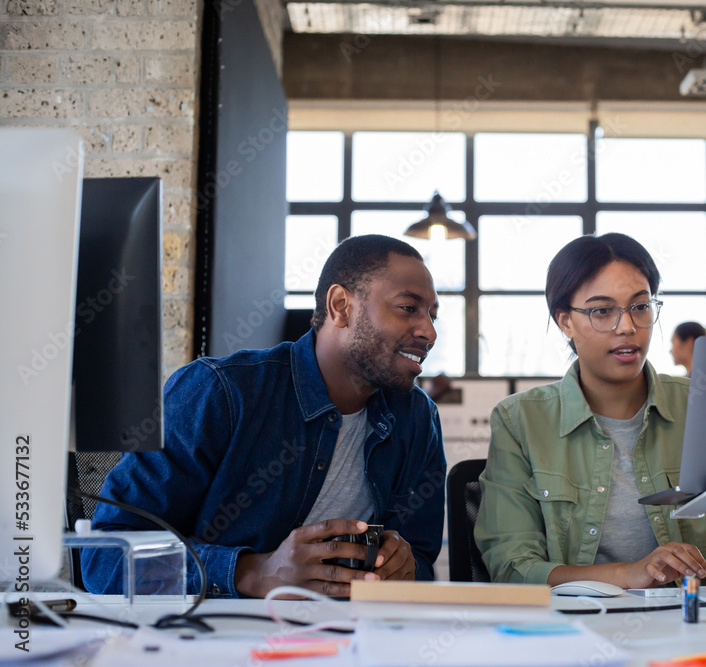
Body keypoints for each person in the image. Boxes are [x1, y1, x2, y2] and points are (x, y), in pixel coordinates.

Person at [82, 235, 447, 598]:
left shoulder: (418, 419)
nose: (429, 332)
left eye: (432, 315)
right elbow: (107, 559)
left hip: (350, 645)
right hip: (218, 647)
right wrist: (252, 572)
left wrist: (407, 567)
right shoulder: (219, 392)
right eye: (407, 308)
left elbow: (423, 560)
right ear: (340, 305)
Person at [475, 234, 706, 589]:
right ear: (565, 321)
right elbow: (512, 567)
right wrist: (628, 574)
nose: (627, 326)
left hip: (690, 625)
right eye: (602, 311)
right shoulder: (520, 421)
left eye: (640, 307)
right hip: (574, 629)